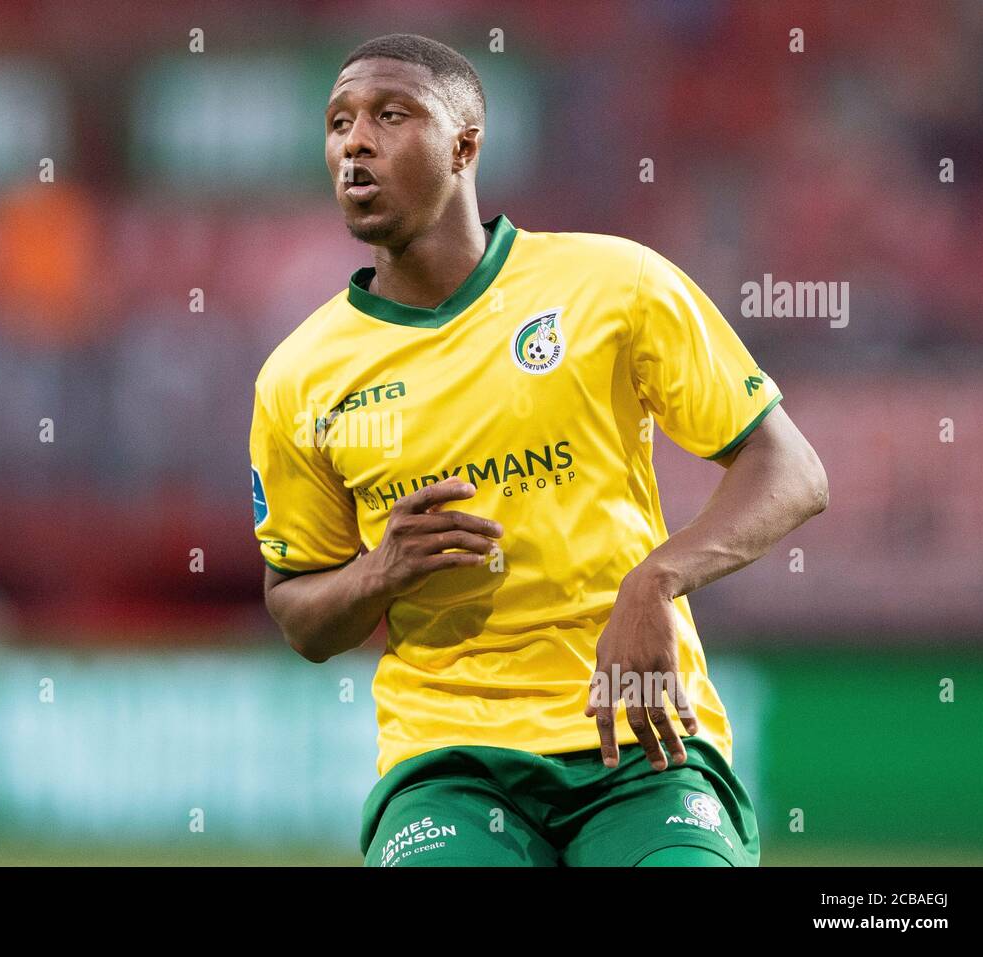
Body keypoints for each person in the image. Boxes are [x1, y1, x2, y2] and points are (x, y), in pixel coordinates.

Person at [248, 34, 828, 866]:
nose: (355, 142)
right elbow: (297, 612)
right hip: (447, 764)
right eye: (338, 122)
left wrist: (655, 579)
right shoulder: (300, 377)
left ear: (465, 144)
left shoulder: (613, 285)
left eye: (389, 114)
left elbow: (792, 470)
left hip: (642, 744)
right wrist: (377, 570)